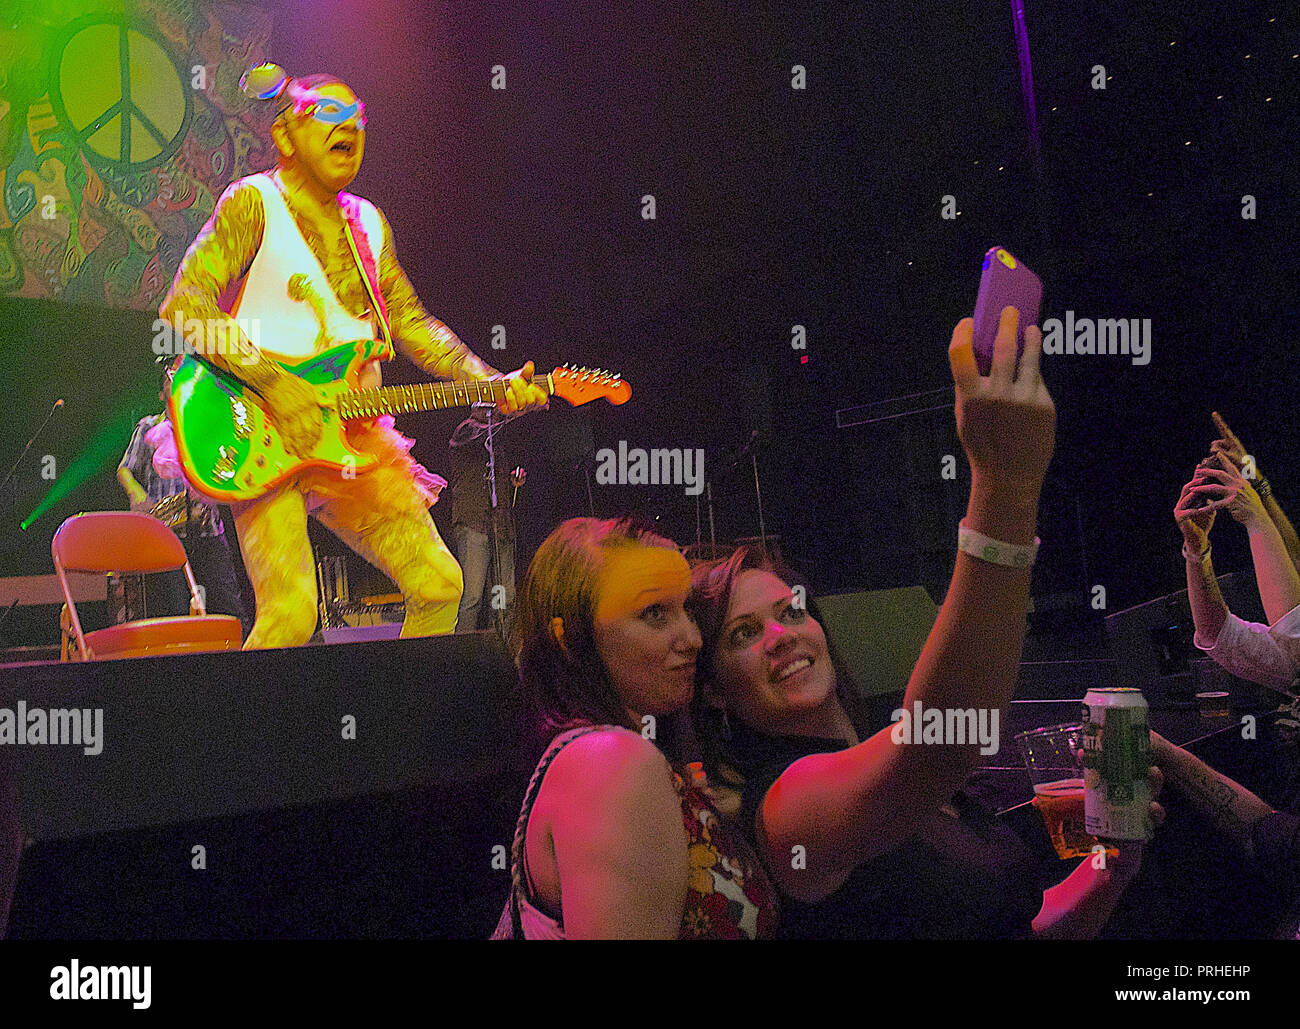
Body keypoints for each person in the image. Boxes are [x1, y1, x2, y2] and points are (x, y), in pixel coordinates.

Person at [687, 309, 1161, 939]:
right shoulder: (784, 810)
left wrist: (1110, 869)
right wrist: (1004, 483)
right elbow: (938, 745)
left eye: (790, 610)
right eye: (742, 634)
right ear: (713, 686)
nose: (782, 636)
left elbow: (1025, 925)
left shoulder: (884, 761)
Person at [158, 64, 548, 648]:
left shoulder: (368, 222)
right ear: (286, 135)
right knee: (291, 615)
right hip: (263, 427)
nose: (349, 128)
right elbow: (184, 306)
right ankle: (258, 738)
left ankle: (398, 729)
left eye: (358, 117)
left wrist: (491, 380)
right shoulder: (252, 202)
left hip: (353, 433)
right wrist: (274, 384)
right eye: (329, 115)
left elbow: (411, 324)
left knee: (441, 586)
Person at [493, 516, 778, 939]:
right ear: (570, 638)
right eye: (655, 613)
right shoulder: (609, 763)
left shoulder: (617, 757)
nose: (692, 638)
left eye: (687, 610)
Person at [117, 384, 249, 634]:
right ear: (160, 394)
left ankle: (240, 661)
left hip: (207, 528)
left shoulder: (201, 423)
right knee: (174, 611)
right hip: (167, 535)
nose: (174, 379)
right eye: (168, 379)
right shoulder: (149, 426)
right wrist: (137, 493)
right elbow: (125, 469)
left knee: (228, 606)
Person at [448, 404, 524, 632]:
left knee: (502, 595)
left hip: (499, 526)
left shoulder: (496, 439)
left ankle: (500, 646)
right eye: (489, 403)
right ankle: (463, 656)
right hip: (474, 526)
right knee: (472, 597)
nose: (495, 408)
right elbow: (483, 435)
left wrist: (511, 479)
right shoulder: (466, 430)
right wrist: (520, 412)